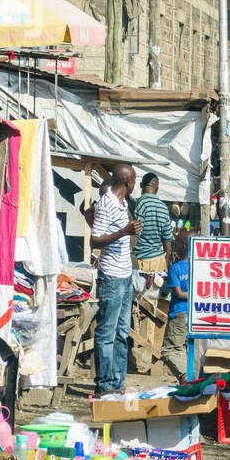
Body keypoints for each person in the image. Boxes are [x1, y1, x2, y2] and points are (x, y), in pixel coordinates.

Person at [90, 164, 142, 396]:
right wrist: (124, 232)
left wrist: (131, 231)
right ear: (128, 183)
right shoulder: (107, 203)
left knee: (122, 332)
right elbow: (95, 241)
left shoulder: (124, 203)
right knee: (107, 332)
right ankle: (104, 384)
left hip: (125, 274)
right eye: (134, 181)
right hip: (110, 276)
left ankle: (117, 381)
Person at [160, 228, 192, 380]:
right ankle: (190, 378)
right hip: (194, 316)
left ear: (183, 247)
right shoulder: (200, 267)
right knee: (188, 350)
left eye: (177, 244)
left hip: (179, 314)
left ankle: (187, 378)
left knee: (169, 351)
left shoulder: (176, 268)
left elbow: (178, 293)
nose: (175, 247)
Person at [133, 173, 174, 284]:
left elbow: (136, 234)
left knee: (140, 298)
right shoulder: (163, 207)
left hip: (142, 261)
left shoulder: (141, 204)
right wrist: (165, 263)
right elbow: (167, 240)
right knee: (153, 298)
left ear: (141, 185)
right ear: (157, 188)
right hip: (159, 261)